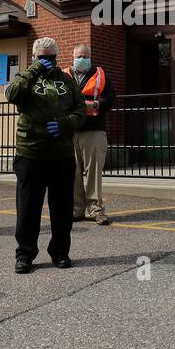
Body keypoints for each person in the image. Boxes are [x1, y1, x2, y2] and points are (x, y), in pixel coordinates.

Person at [5, 37, 86, 273]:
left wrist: (65, 123)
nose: (47, 62)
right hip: (31, 152)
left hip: (61, 154)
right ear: (34, 57)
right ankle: (25, 254)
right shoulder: (25, 77)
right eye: (42, 58)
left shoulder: (66, 81)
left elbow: (80, 109)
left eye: (51, 58)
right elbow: (12, 94)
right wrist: (35, 70)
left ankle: (60, 252)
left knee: (62, 208)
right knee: (28, 207)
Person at [68, 43, 115, 225]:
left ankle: (96, 209)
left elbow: (110, 98)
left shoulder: (100, 74)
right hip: (70, 130)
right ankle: (76, 210)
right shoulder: (64, 76)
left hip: (94, 129)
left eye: (86, 56)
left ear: (91, 57)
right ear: (73, 57)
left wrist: (95, 105)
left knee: (94, 172)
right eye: (79, 56)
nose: (82, 59)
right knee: (73, 172)